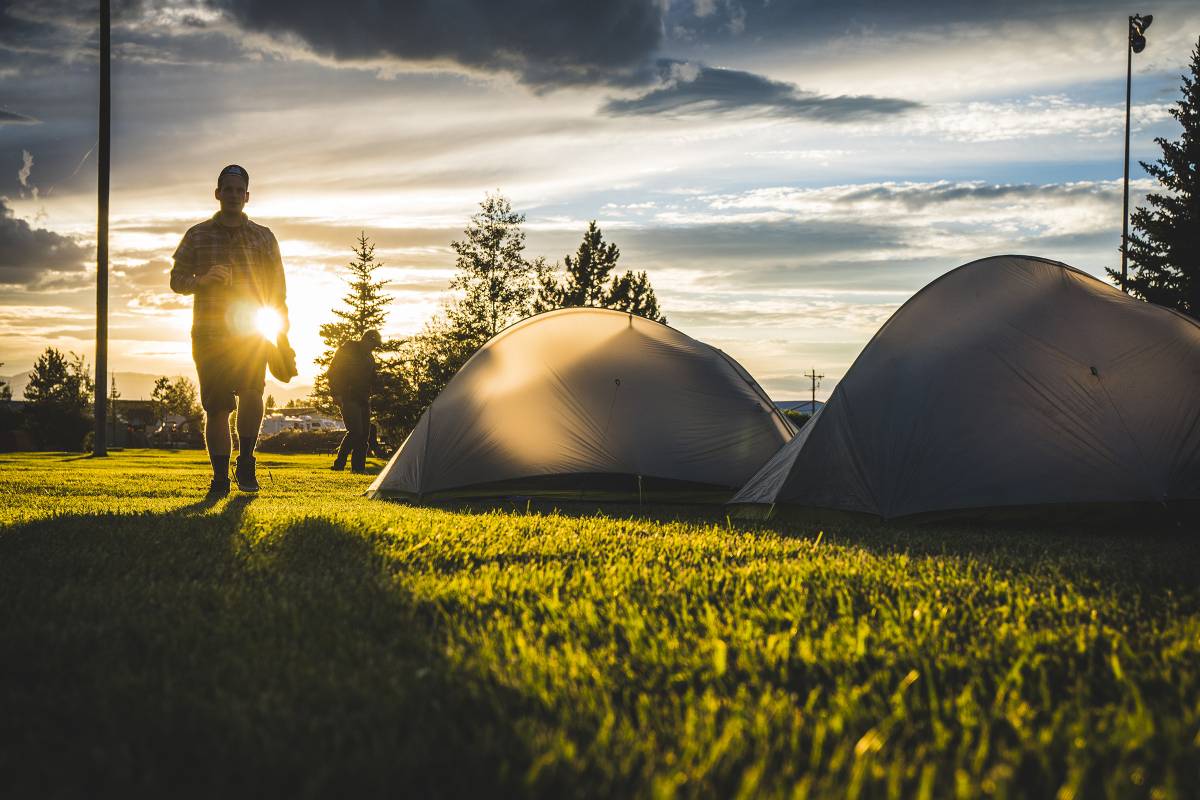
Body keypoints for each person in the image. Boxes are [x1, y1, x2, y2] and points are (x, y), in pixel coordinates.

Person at [170, 164, 289, 498]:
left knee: (252, 394)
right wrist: (202, 280)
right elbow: (176, 280)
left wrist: (282, 335)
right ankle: (220, 478)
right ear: (218, 193)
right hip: (209, 334)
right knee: (218, 407)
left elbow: (278, 289)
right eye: (228, 189)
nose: (234, 195)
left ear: (247, 196)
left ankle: (246, 461)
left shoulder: (264, 237)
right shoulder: (197, 235)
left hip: (252, 332)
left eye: (240, 190)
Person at [328, 329, 381, 472]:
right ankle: (339, 465)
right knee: (355, 432)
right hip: (348, 396)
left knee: (364, 435)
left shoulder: (370, 358)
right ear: (366, 340)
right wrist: (335, 393)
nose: (374, 348)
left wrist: (375, 387)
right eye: (373, 344)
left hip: (363, 398)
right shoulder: (347, 349)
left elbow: (372, 377)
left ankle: (358, 468)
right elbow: (333, 372)